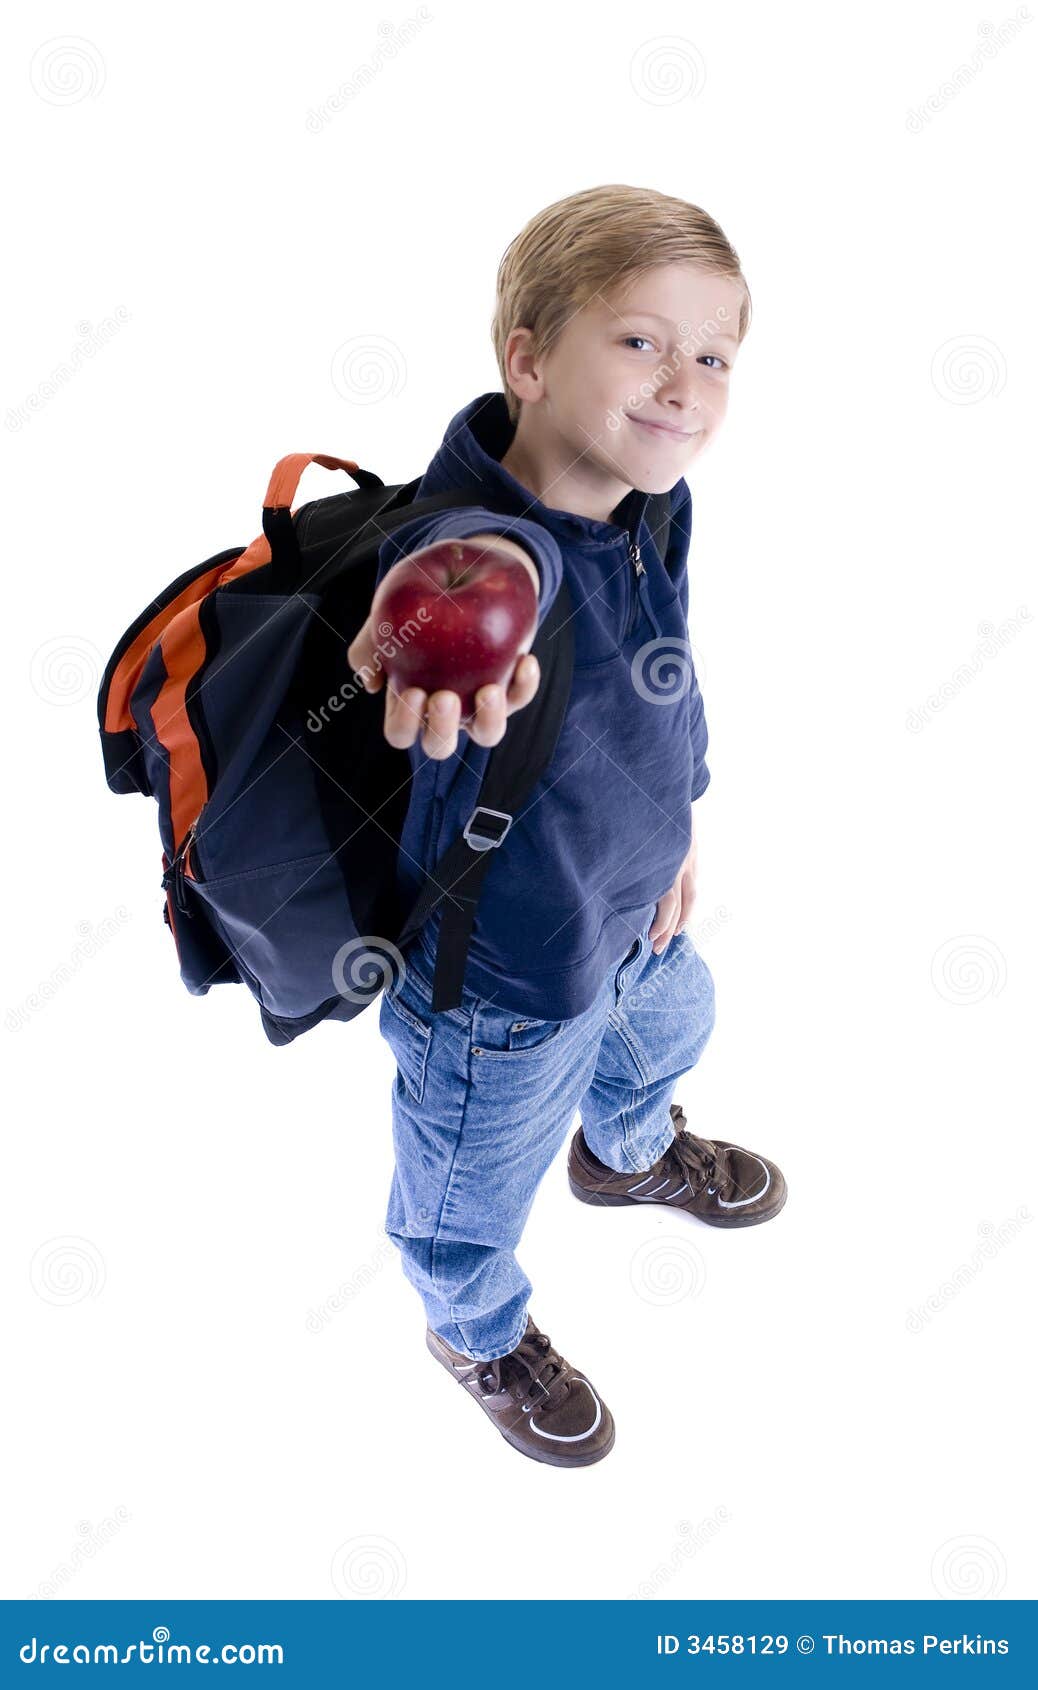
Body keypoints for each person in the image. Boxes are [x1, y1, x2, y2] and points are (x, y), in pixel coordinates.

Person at [346, 183, 786, 1468]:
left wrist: (680, 815)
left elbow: (668, 667)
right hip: (505, 976)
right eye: (643, 341)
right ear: (528, 360)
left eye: (715, 355)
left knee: (676, 1031)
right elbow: (465, 581)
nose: (686, 384)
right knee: (467, 1194)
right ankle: (474, 1328)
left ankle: (630, 1151)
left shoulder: (655, 506)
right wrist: (442, 642)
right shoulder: (479, 553)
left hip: (633, 899)